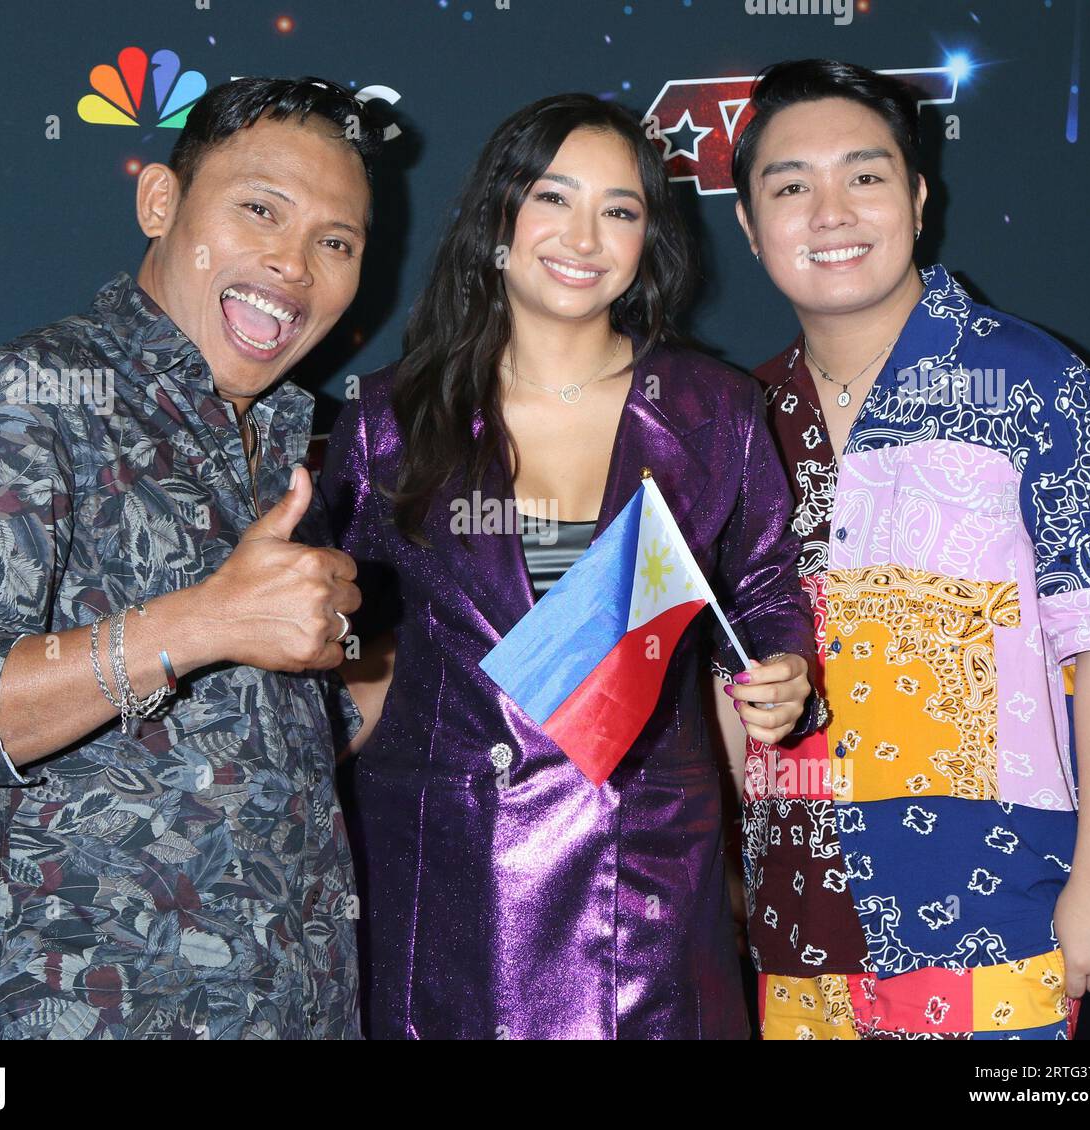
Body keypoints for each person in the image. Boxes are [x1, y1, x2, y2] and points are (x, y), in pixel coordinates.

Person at [0, 77, 381, 1039]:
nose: (295, 264)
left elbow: (246, 750)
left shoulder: (293, 444)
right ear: (160, 203)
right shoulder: (35, 395)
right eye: (260, 208)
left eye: (335, 243)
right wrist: (203, 622)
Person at [320, 92, 817, 1039]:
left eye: (620, 210)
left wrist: (781, 670)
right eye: (553, 198)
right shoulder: (392, 417)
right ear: (500, 217)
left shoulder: (711, 408)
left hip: (649, 881)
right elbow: (337, 626)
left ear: (647, 239)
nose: (584, 236)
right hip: (453, 875)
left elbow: (760, 587)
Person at [726, 58, 1090, 1039]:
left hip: (1003, 908)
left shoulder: (1039, 386)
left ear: (918, 196)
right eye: (790, 187)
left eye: (864, 176)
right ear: (750, 225)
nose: (829, 211)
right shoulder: (736, 418)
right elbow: (727, 667)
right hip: (798, 925)